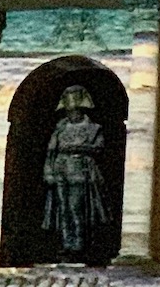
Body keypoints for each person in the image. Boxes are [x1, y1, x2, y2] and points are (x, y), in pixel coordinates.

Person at [42, 86, 109, 260]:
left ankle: (78, 245)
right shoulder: (60, 128)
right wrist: (48, 172)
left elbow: (99, 148)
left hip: (81, 171)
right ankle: (66, 243)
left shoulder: (94, 128)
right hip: (61, 170)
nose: (72, 114)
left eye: (75, 110)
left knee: (76, 208)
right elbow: (51, 151)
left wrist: (78, 148)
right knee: (63, 209)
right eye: (69, 111)